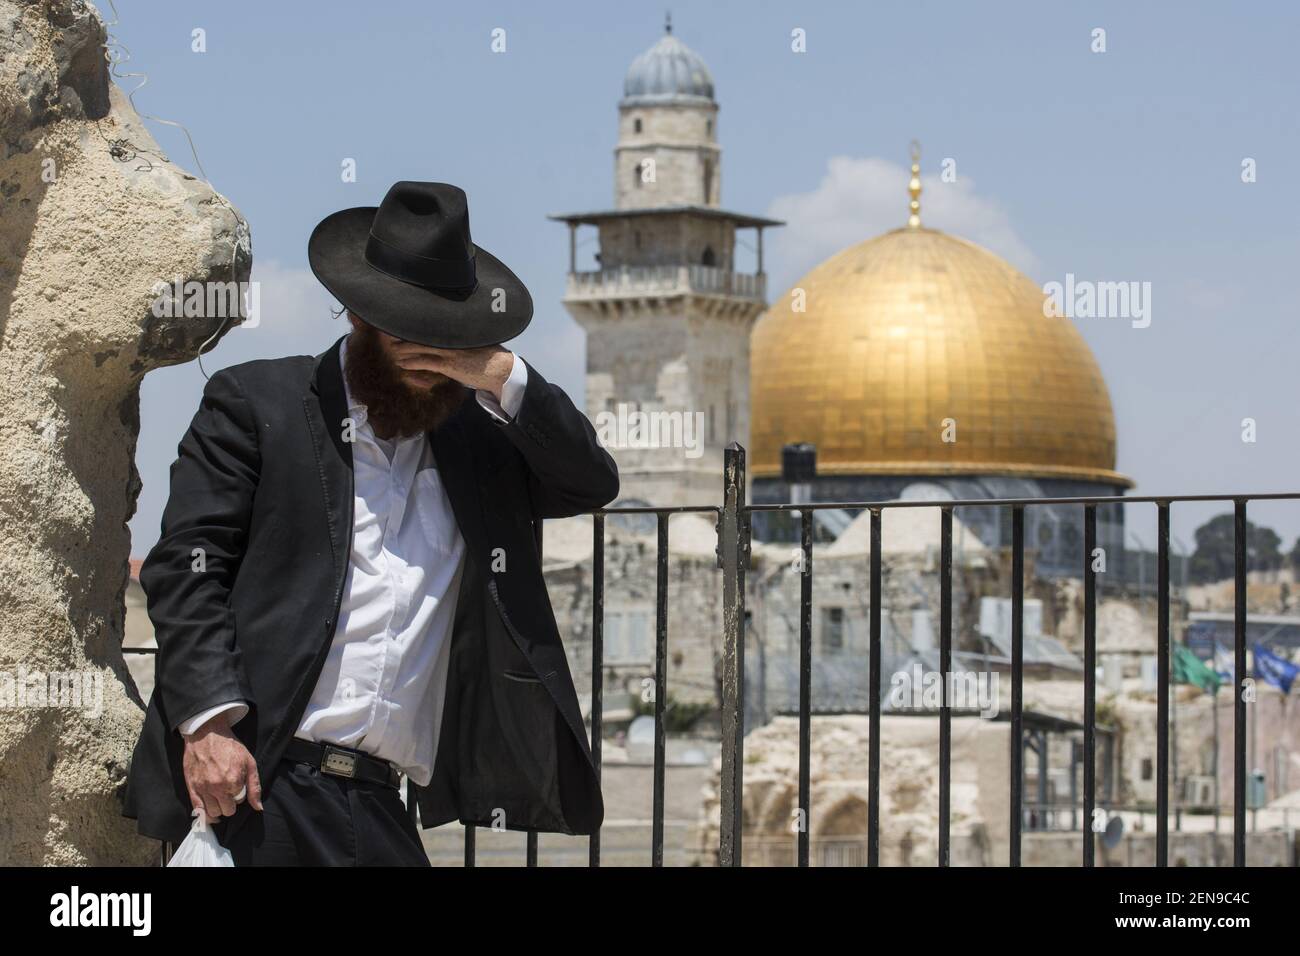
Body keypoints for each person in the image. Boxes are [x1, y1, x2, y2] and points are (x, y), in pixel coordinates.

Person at [123, 181, 618, 865]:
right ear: (359, 317)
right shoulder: (256, 404)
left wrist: (505, 375)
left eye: (446, 338)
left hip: (381, 804)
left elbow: (590, 481)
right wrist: (209, 726)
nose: (425, 358)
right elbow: (186, 568)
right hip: (259, 784)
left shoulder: (480, 445)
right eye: (405, 333)